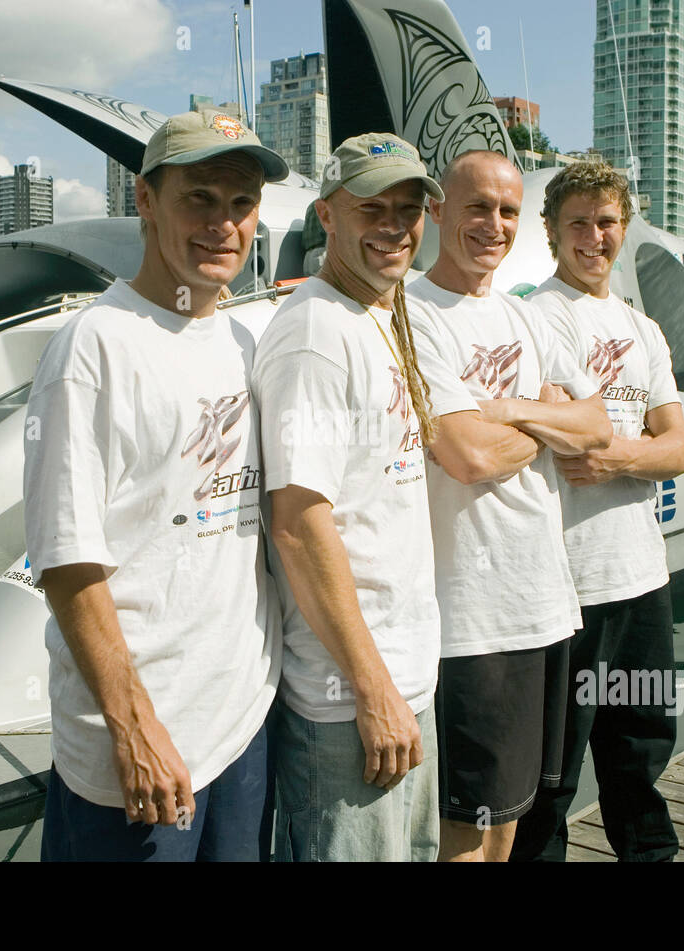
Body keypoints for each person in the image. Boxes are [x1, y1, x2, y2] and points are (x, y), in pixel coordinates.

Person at [22, 110, 289, 862]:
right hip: (140, 746)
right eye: (198, 198)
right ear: (145, 199)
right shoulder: (94, 348)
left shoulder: (244, 339)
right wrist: (133, 725)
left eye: (241, 203)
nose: (223, 224)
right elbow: (66, 559)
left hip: (241, 724)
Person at [404, 150, 611, 862]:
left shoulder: (523, 316)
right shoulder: (413, 314)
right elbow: (467, 454)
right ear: (438, 211)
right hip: (470, 617)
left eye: (508, 211)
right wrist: (545, 421)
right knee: (465, 827)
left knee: (513, 815)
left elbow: (597, 425)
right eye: (477, 207)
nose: (493, 224)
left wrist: (507, 410)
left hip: (543, 603)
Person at [252, 132, 443, 861]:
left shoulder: (376, 316)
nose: (395, 227)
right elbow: (299, 526)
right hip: (348, 702)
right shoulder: (316, 334)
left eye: (408, 209)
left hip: (400, 681)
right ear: (327, 215)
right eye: (372, 208)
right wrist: (372, 688)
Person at [511, 159, 684, 863]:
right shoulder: (536, 317)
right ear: (551, 230)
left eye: (607, 222)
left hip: (642, 580)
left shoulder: (644, 329)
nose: (594, 236)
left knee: (639, 758)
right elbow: (565, 431)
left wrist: (616, 457)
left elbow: (677, 449)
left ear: (625, 227)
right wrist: (630, 444)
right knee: (550, 779)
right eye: (579, 222)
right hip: (567, 589)